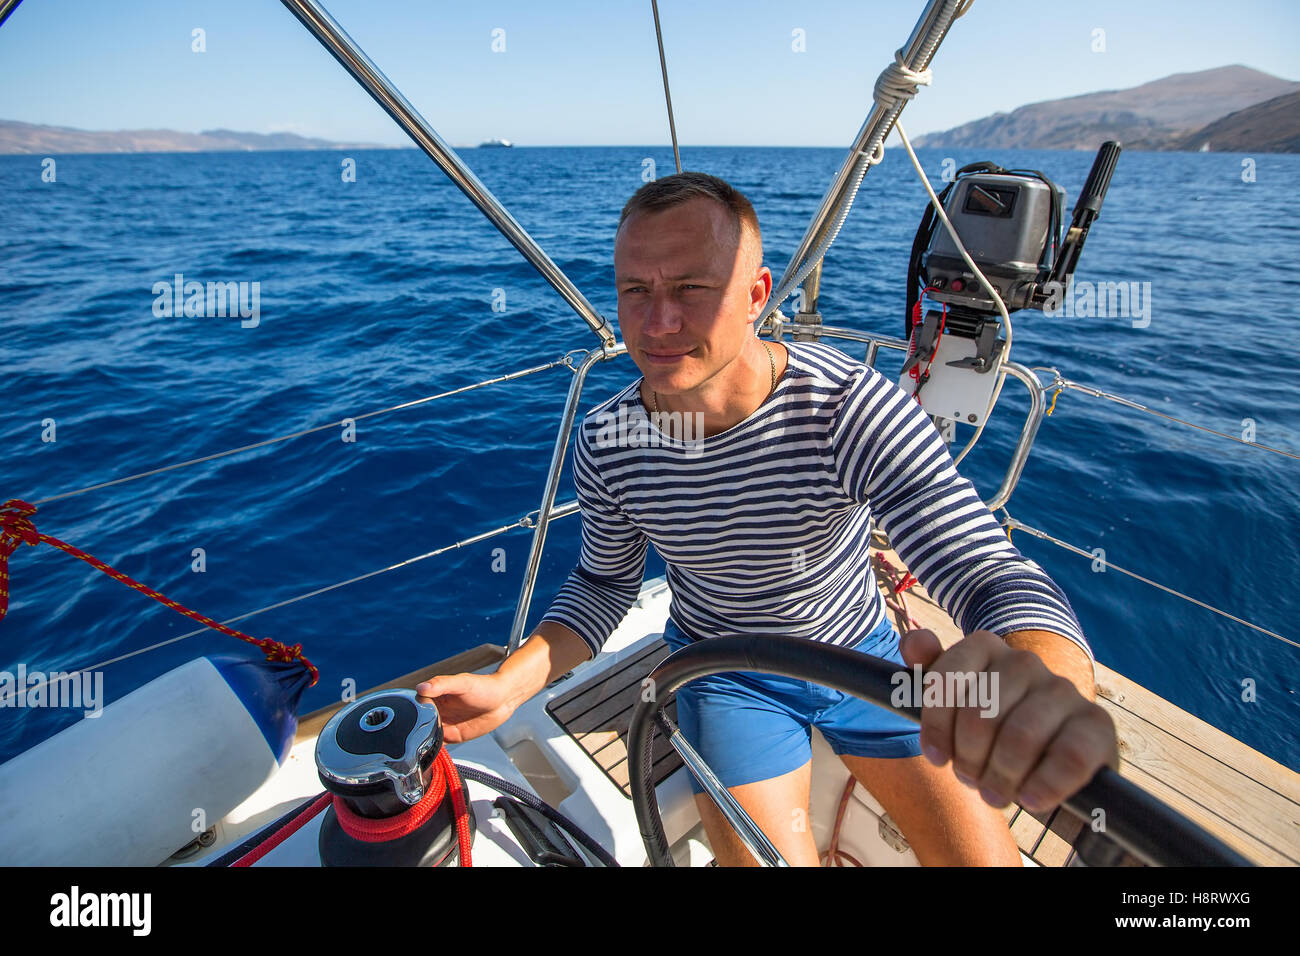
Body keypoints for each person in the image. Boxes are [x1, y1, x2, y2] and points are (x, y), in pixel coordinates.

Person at [418, 171, 1119, 866]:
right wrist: (509, 683)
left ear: (756, 295)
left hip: (866, 657)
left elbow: (981, 566)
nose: (658, 323)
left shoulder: (849, 409)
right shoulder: (611, 440)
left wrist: (1045, 674)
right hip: (723, 672)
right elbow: (604, 585)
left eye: (692, 288)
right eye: (636, 290)